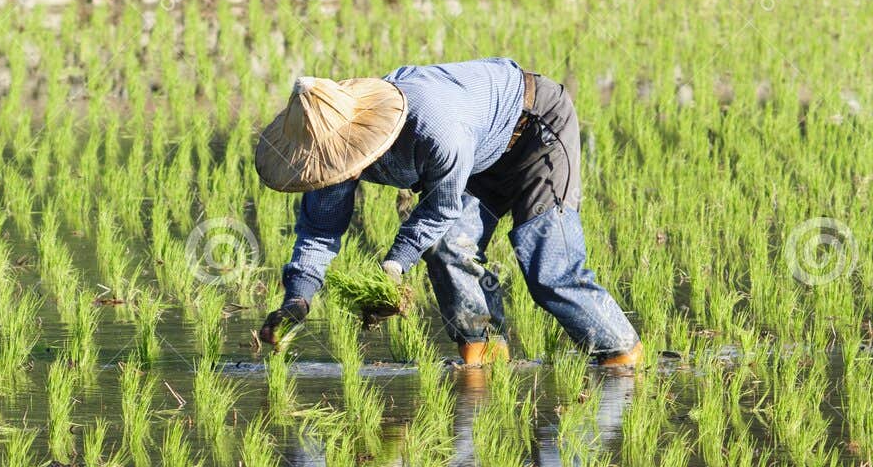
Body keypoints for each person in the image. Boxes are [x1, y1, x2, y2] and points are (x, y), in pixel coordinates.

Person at [253, 59, 642, 368]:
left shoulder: (432, 127)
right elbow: (319, 231)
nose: (340, 169)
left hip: (533, 131)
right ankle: (485, 358)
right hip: (478, 153)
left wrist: (393, 266)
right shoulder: (330, 155)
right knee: (446, 246)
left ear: (360, 133)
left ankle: (623, 358)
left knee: (548, 268)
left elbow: (441, 207)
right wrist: (297, 300)